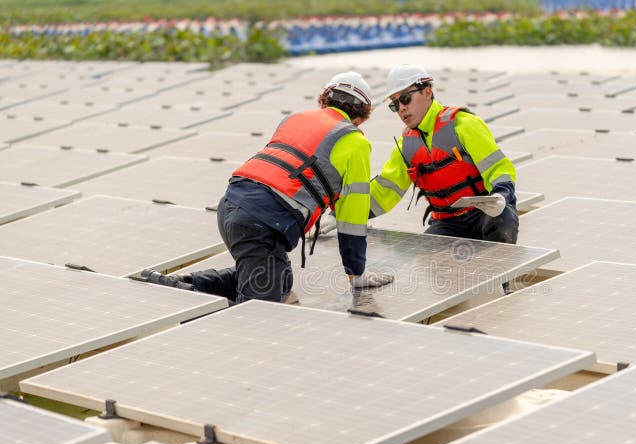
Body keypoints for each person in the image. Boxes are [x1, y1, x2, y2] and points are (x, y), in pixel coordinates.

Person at [142, 71, 394, 303]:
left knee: (280, 281)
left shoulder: (295, 119)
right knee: (257, 310)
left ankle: (183, 285)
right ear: (361, 117)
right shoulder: (354, 141)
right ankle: (178, 297)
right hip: (261, 223)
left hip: (232, 205)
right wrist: (356, 274)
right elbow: (352, 216)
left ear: (323, 101)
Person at [368, 64, 519, 245]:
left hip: (486, 212)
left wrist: (501, 196)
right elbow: (383, 191)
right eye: (394, 104)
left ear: (427, 92)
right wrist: (342, 214)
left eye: (405, 98)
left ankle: (503, 271)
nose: (401, 108)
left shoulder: (463, 124)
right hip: (448, 223)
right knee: (428, 253)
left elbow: (498, 168)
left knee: (502, 221)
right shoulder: (405, 146)